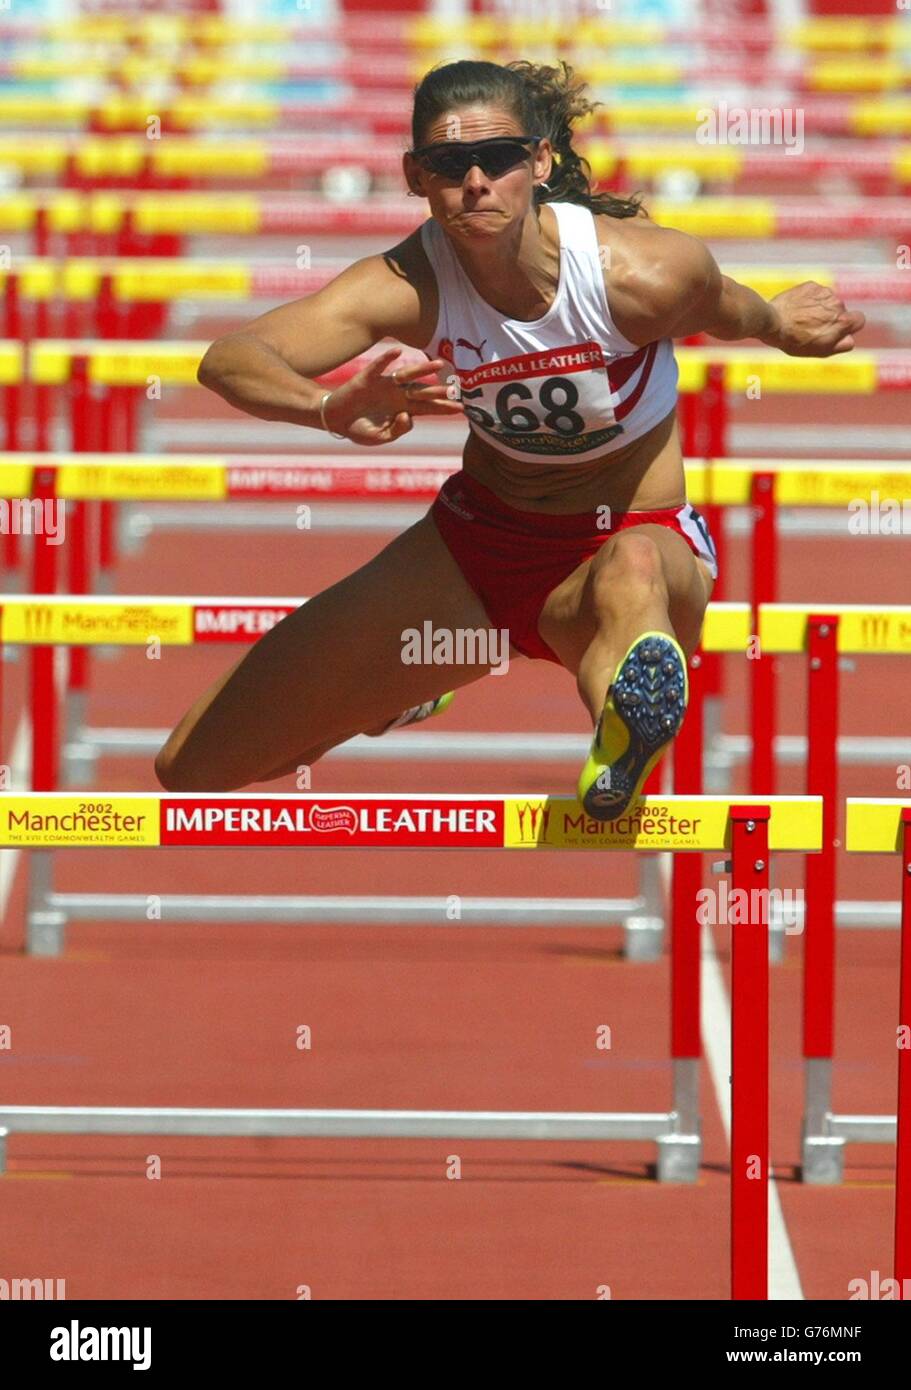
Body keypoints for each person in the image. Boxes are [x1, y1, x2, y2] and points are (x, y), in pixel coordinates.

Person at [155, 59, 864, 819]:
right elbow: (229, 359)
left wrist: (784, 323)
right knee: (195, 766)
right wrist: (328, 408)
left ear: (538, 162)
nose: (474, 183)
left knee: (629, 576)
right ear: (413, 177)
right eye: (448, 165)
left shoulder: (642, 274)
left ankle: (618, 748)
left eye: (495, 159)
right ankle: (405, 691)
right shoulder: (406, 283)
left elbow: (739, 311)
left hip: (633, 538)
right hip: (474, 555)